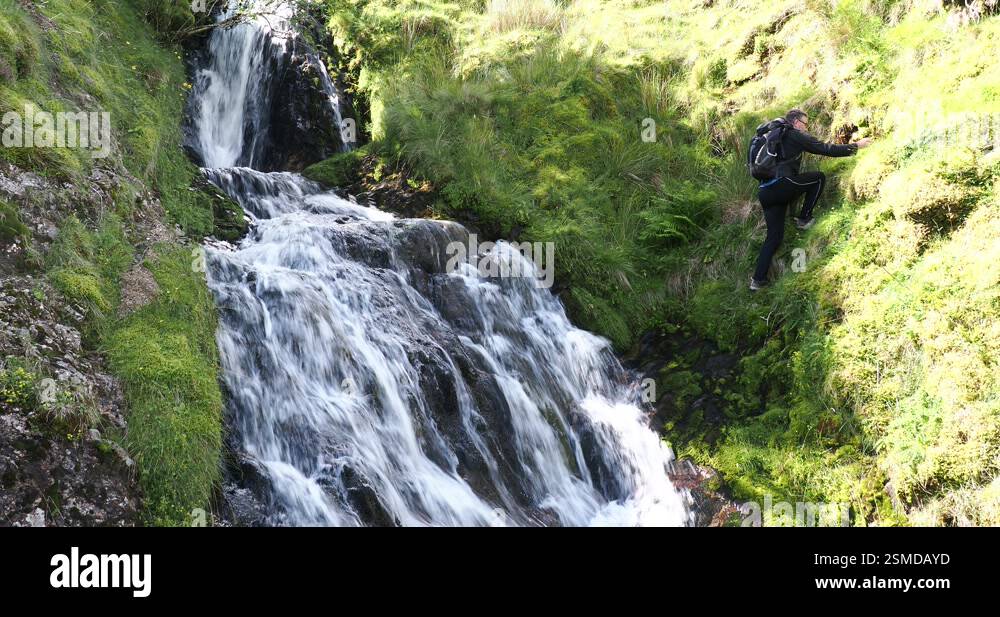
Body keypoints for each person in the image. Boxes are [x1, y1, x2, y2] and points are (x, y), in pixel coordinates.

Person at [750, 109, 872, 291]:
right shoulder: (793, 134)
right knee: (818, 177)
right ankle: (804, 218)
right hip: (782, 184)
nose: (806, 128)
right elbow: (825, 148)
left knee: (773, 237)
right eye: (806, 124)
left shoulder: (769, 136)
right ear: (797, 122)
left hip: (764, 191)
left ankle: (757, 281)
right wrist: (856, 146)